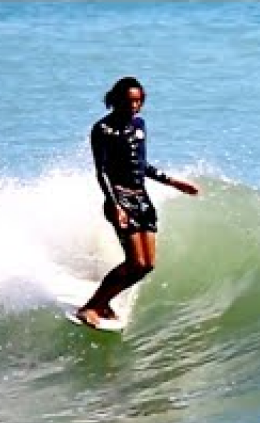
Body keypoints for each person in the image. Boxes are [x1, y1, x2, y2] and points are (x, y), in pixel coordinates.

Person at [77, 76, 200, 328]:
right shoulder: (102, 129)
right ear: (116, 100)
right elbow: (102, 172)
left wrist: (173, 182)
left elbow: (142, 165)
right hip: (120, 199)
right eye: (129, 101)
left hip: (141, 198)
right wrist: (115, 205)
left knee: (146, 265)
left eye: (138, 101)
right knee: (135, 262)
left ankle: (104, 302)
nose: (134, 106)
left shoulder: (140, 125)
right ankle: (90, 306)